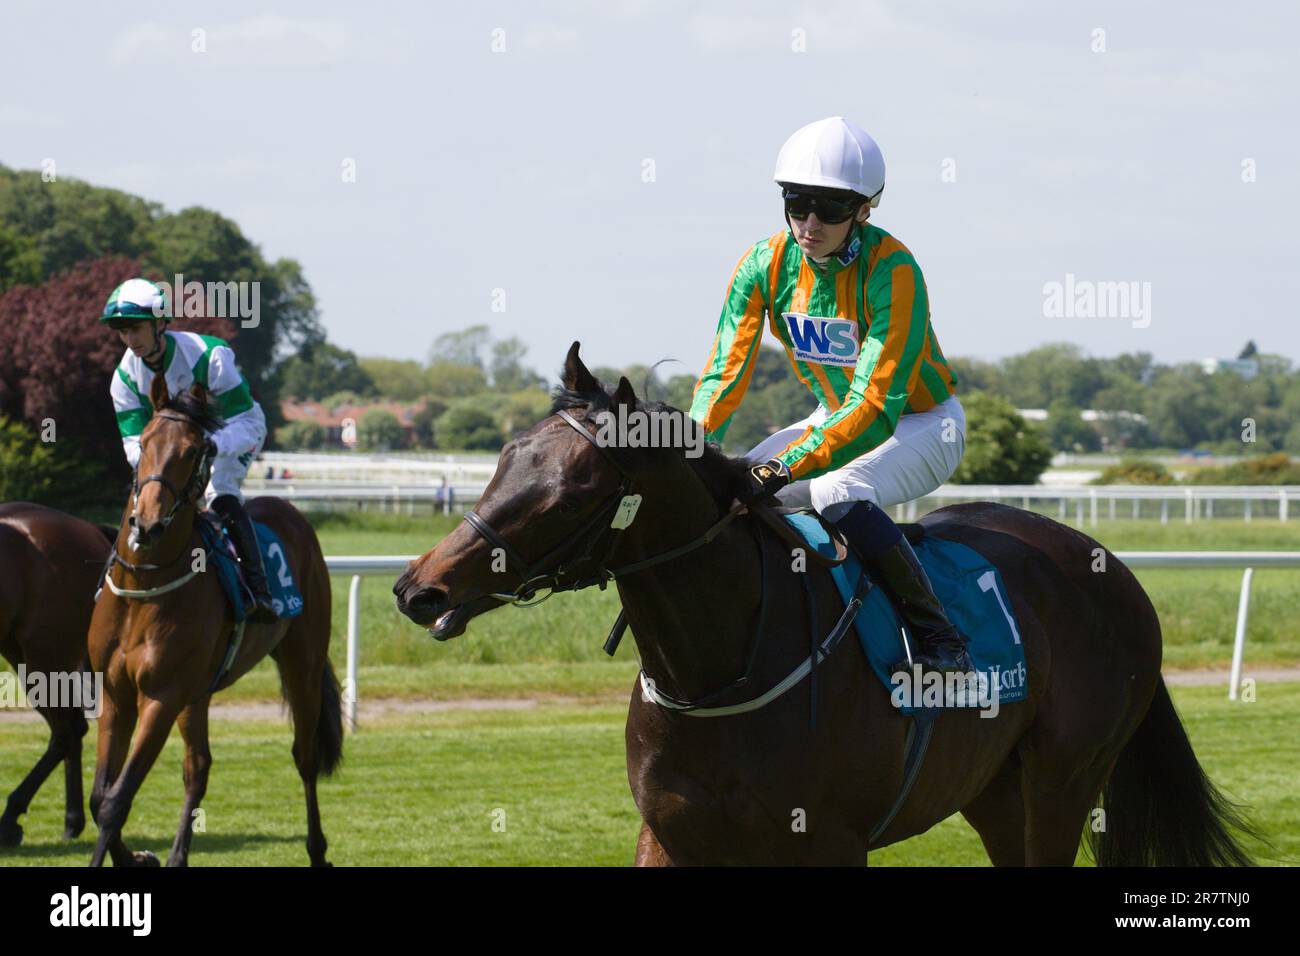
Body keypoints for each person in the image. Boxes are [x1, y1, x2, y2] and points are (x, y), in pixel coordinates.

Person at [690, 117, 972, 675]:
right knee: (729, 488)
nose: (810, 224)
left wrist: (791, 464)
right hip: (833, 417)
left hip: (919, 424)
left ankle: (940, 638)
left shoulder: (894, 269)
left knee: (839, 487)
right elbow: (725, 372)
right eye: (797, 204)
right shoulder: (762, 264)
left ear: (864, 209)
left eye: (830, 208)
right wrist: (689, 443)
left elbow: (873, 407)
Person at [102, 278, 278, 623]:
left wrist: (208, 449)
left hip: (233, 432)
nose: (129, 339)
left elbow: (242, 419)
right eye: (122, 331)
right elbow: (132, 445)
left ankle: (259, 591)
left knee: (219, 495)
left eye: (136, 328)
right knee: (144, 501)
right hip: (170, 450)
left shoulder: (209, 356)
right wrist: (162, 471)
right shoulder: (123, 379)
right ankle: (109, 585)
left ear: (160, 323)